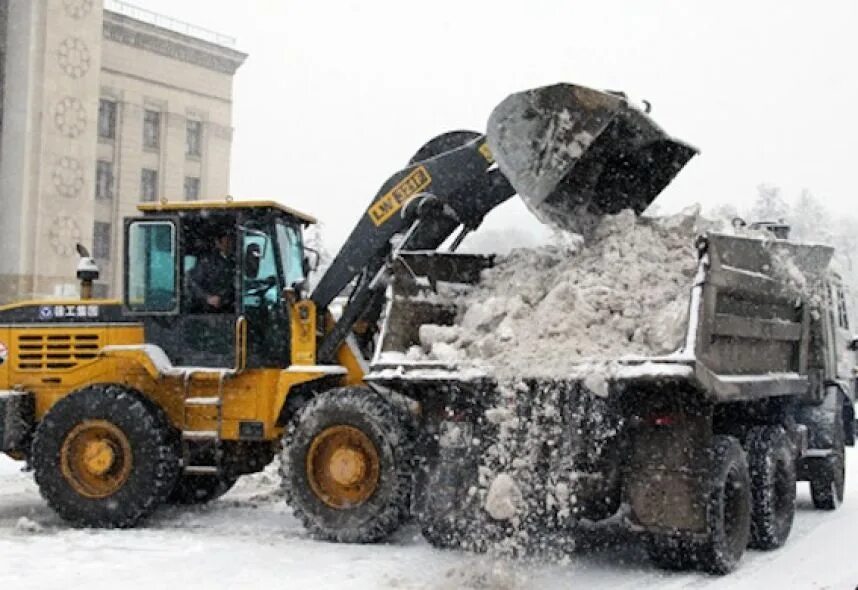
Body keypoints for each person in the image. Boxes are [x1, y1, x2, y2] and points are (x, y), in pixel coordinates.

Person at [187, 231, 236, 312]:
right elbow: (193, 283)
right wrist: (208, 297)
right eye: (227, 242)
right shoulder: (207, 262)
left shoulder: (237, 261)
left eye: (231, 241)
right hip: (210, 311)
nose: (230, 245)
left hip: (232, 306)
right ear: (218, 243)